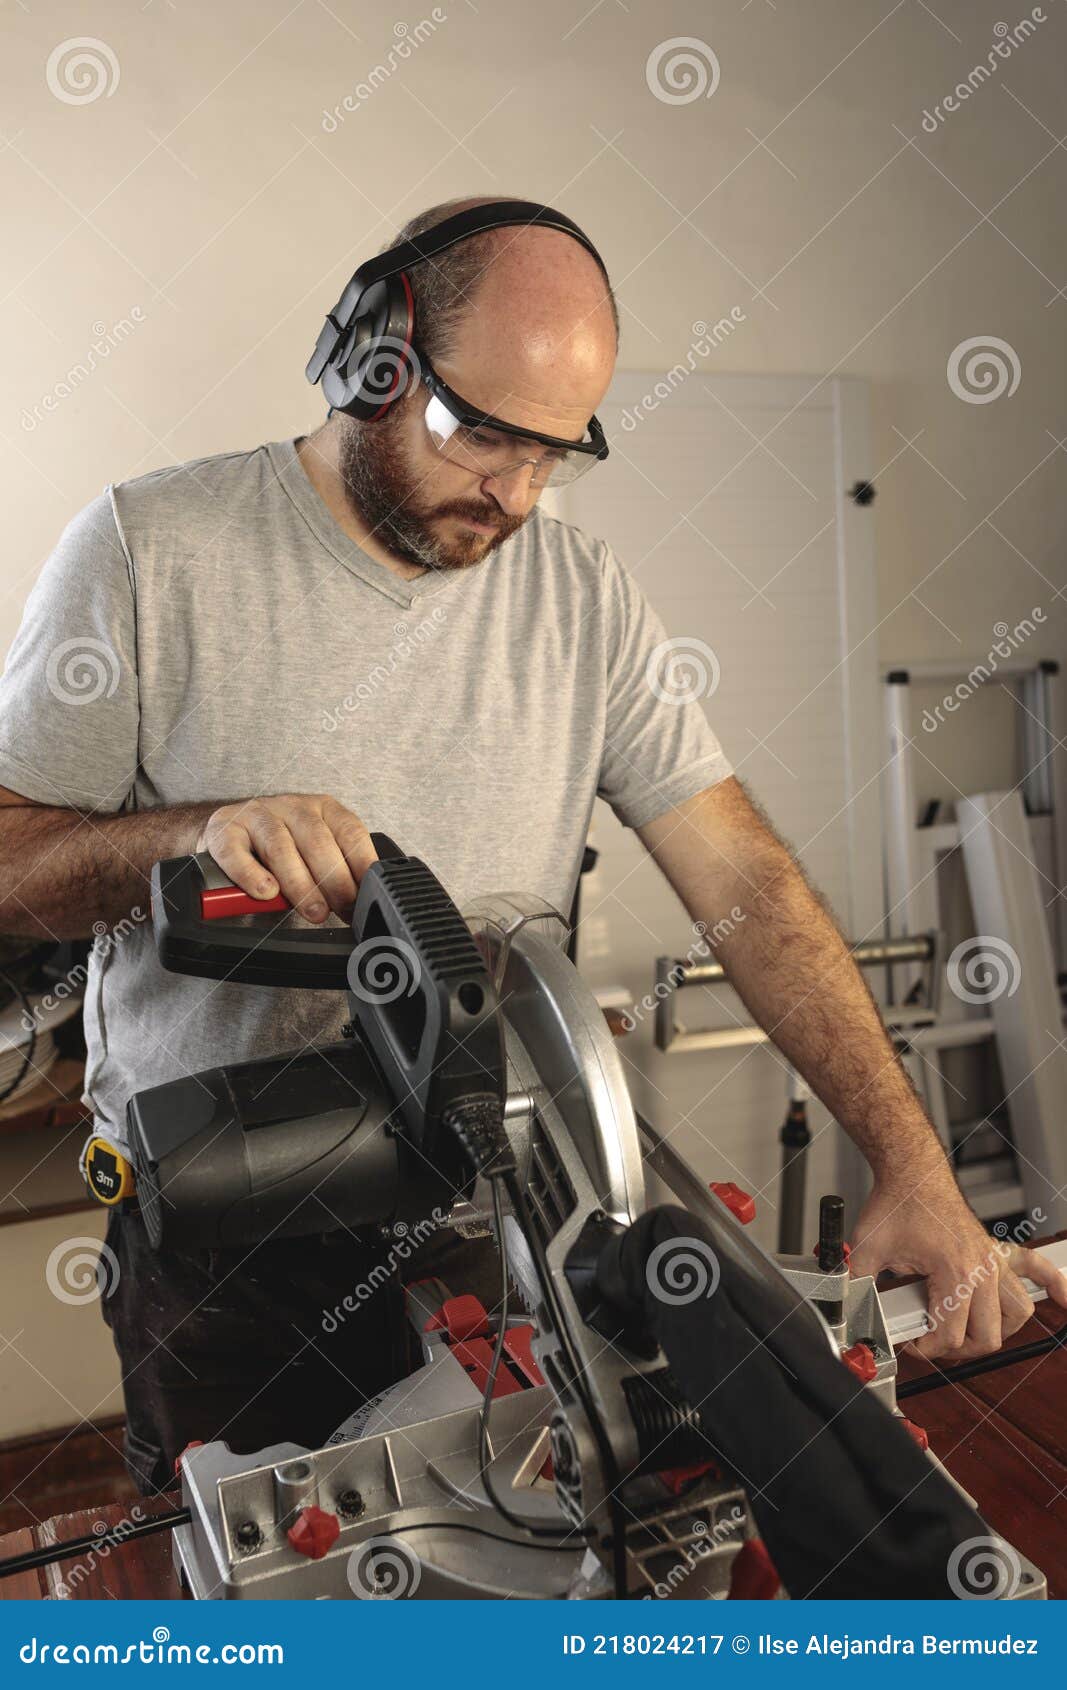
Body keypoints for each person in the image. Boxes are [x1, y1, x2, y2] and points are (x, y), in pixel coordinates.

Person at [0, 196, 1061, 1496]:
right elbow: (10, 863)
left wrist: (913, 1162)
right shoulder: (148, 551)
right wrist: (194, 833)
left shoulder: (583, 596)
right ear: (370, 356)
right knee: (279, 1597)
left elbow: (748, 884)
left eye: (556, 453)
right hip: (230, 1231)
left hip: (507, 1207)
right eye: (485, 432)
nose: (515, 491)